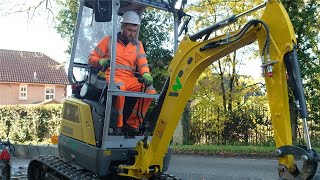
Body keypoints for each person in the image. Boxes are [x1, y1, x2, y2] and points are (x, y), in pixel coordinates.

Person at [88, 11, 156, 133]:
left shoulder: (137, 45)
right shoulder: (108, 41)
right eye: (129, 30)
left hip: (129, 79)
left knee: (150, 91)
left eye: (135, 31)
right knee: (119, 88)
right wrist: (101, 62)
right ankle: (118, 126)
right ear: (122, 27)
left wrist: (146, 73)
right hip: (111, 76)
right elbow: (91, 59)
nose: (132, 34)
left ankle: (132, 124)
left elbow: (142, 63)